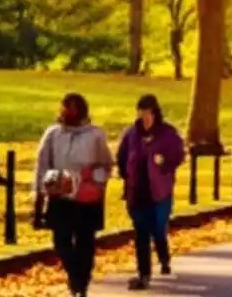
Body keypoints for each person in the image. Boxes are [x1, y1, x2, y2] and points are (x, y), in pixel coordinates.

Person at [33, 93, 114, 297]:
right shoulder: (53, 134)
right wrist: (41, 193)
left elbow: (106, 164)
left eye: (72, 108)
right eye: (65, 108)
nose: (67, 112)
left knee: (85, 241)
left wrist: (94, 178)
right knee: (61, 241)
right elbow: (42, 165)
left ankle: (82, 282)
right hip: (61, 197)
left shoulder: (96, 135)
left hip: (87, 197)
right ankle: (73, 273)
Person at [117, 94, 185, 290]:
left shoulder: (168, 133)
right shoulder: (131, 135)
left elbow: (178, 155)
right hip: (137, 192)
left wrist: (164, 162)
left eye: (148, 113)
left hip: (160, 192)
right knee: (141, 234)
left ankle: (164, 257)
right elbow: (122, 158)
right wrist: (126, 176)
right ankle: (144, 274)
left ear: (155, 113)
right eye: (141, 113)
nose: (144, 117)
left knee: (158, 230)